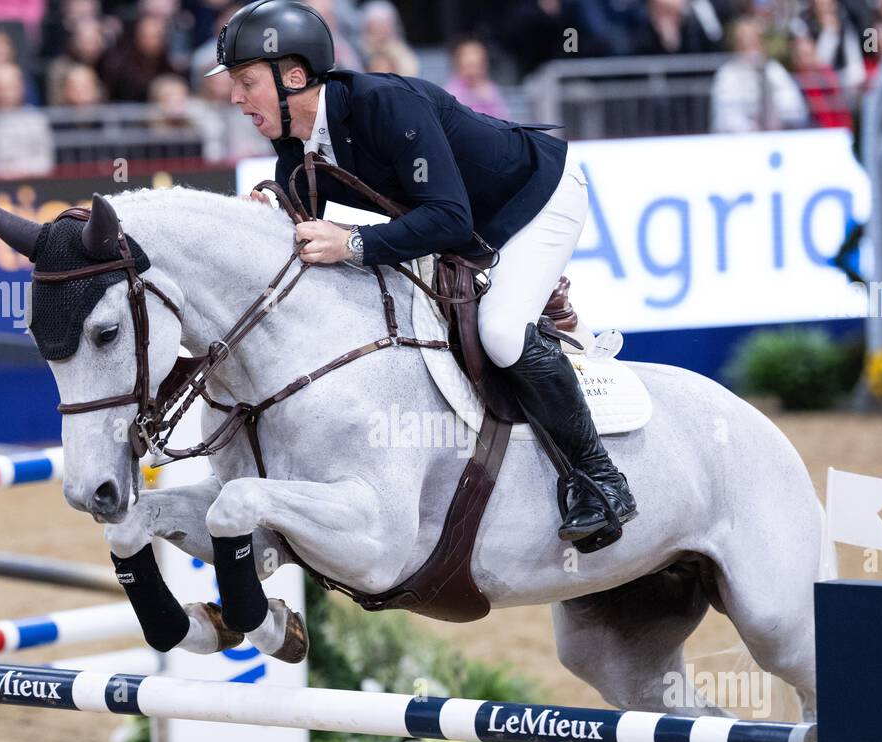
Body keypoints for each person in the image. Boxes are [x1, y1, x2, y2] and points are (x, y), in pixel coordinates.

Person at [207, 0, 636, 546]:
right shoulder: (295, 145)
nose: (235, 97)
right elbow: (300, 227)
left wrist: (354, 243)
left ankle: (600, 479)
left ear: (294, 77)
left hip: (537, 198)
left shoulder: (385, 104)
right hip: (471, 220)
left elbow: (450, 220)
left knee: (502, 332)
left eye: (245, 81)